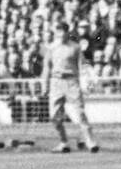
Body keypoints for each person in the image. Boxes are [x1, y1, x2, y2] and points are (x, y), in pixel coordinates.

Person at [42, 21, 98, 153]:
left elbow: (82, 66)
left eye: (63, 30)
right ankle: (63, 142)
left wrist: (84, 83)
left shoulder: (75, 47)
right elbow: (47, 67)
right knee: (54, 115)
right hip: (56, 82)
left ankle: (90, 141)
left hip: (72, 81)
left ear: (68, 32)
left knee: (80, 112)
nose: (60, 33)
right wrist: (44, 84)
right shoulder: (51, 48)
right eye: (58, 30)